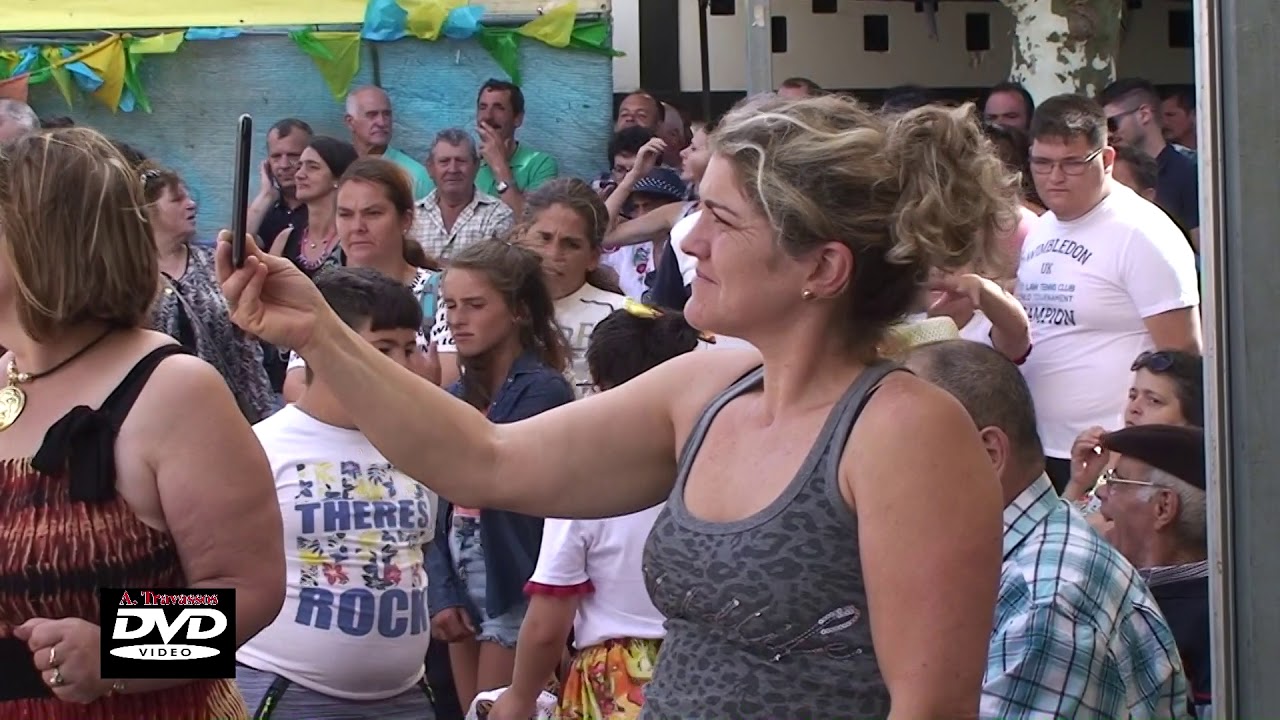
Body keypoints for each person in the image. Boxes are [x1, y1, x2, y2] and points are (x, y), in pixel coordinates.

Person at [217, 93, 1019, 718]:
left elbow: (931, 709)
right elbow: (486, 459)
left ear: (823, 266)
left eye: (721, 218)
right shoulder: (708, 388)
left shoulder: (908, 433)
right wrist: (320, 331)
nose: (689, 241)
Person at [0, 128, 285, 718]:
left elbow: (252, 592)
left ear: (41, 243)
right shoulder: (7, 374)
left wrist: (114, 654)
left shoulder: (172, 389)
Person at [904, 340, 1191, 719]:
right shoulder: (1022, 559)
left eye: (901, 447)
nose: (878, 470)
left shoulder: (1045, 602)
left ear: (989, 454)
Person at [236, 268, 440, 719]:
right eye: (383, 349)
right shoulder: (259, 447)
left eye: (410, 348)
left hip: (406, 696)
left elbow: (421, 552)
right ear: (326, 349)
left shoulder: (422, 446)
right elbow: (204, 574)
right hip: (285, 691)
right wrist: (114, 664)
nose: (403, 366)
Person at [427, 239, 575, 710]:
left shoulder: (544, 389)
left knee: (497, 710)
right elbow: (437, 499)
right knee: (470, 709)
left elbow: (490, 468)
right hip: (459, 560)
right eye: (450, 305)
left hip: (510, 574)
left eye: (475, 305)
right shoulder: (456, 393)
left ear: (519, 311)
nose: (457, 318)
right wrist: (441, 590)